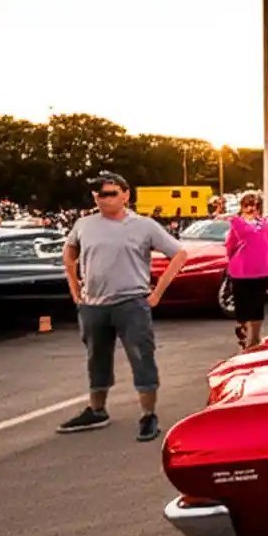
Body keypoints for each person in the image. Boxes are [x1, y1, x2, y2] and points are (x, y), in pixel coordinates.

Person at [57, 172, 187, 441]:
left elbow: (179, 254)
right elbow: (69, 254)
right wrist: (74, 288)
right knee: (96, 358)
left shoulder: (144, 226)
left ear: (126, 195)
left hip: (131, 303)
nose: (103, 199)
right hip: (94, 305)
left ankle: (148, 415)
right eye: (98, 194)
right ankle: (97, 410)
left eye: (110, 193)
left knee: (141, 357)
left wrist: (156, 294)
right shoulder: (84, 224)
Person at [224, 191, 268, 349]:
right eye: (247, 205)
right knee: (243, 305)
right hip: (241, 270)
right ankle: (245, 333)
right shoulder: (236, 223)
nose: (251, 209)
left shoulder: (267, 225)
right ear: (241, 207)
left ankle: (253, 338)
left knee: (257, 304)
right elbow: (230, 246)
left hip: (261, 270)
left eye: (255, 206)